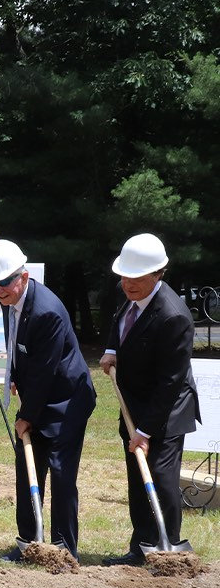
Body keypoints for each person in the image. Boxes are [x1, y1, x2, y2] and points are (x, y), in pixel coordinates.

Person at [0, 240, 95, 562]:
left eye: (4, 282)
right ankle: (29, 544)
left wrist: (27, 416)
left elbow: (46, 371)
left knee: (60, 473)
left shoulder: (47, 311)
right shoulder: (11, 301)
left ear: (24, 276)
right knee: (27, 467)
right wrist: (16, 376)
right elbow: (17, 344)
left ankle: (63, 549)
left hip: (67, 401)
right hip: (40, 393)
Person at [99, 233, 199, 565]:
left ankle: (168, 549)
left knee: (159, 475)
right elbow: (119, 321)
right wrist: (112, 350)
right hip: (135, 400)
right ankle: (140, 547)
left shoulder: (174, 317)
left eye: (137, 277)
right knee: (136, 476)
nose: (128, 283)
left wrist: (145, 431)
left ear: (158, 274)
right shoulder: (125, 290)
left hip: (168, 409)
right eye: (124, 275)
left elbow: (170, 383)